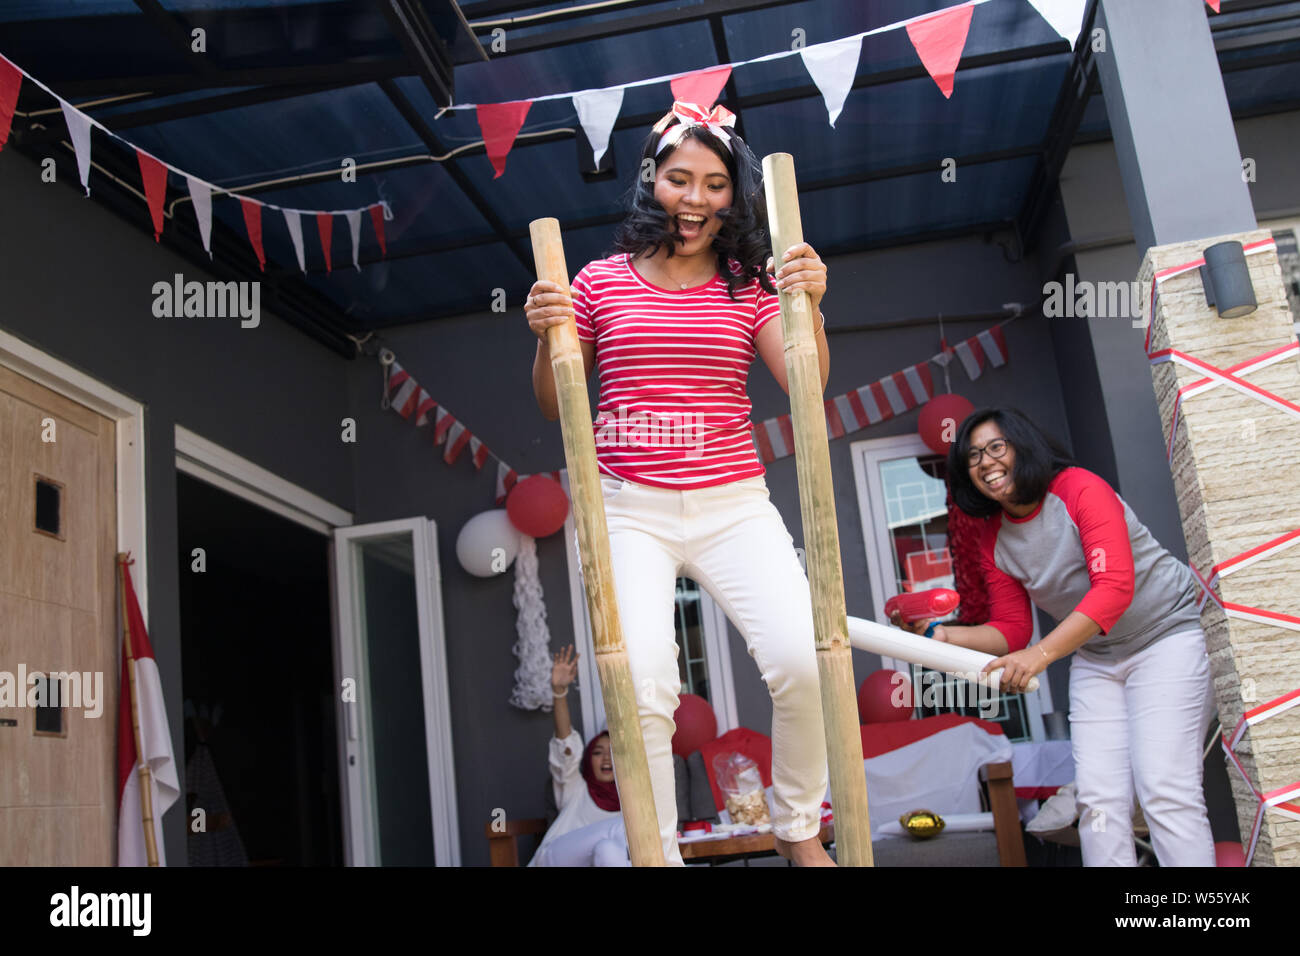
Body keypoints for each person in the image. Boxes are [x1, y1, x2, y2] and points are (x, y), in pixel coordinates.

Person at [524, 100, 834, 866]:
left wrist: (811, 309)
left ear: (735, 197)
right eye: (679, 179)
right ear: (650, 183)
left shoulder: (749, 283)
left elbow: (805, 383)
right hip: (630, 510)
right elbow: (554, 403)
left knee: (804, 659)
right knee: (645, 691)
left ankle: (797, 829)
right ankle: (656, 855)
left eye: (716, 184)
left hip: (734, 505)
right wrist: (544, 338)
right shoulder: (597, 282)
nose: (695, 199)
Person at [893, 406, 1216, 866]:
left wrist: (1039, 656)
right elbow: (1012, 629)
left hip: (1166, 635)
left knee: (1164, 789)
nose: (985, 462)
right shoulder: (993, 537)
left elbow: (1115, 588)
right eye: (972, 458)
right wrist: (942, 637)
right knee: (1098, 804)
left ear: (1022, 446)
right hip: (1099, 657)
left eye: (995, 447)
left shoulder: (1079, 488)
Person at [528, 645, 631, 867]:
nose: (606, 759)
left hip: (601, 858)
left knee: (608, 849)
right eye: (598, 752)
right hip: (553, 859)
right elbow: (565, 744)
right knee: (627, 827)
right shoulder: (575, 787)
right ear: (588, 760)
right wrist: (559, 692)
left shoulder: (629, 800)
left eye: (613, 753)